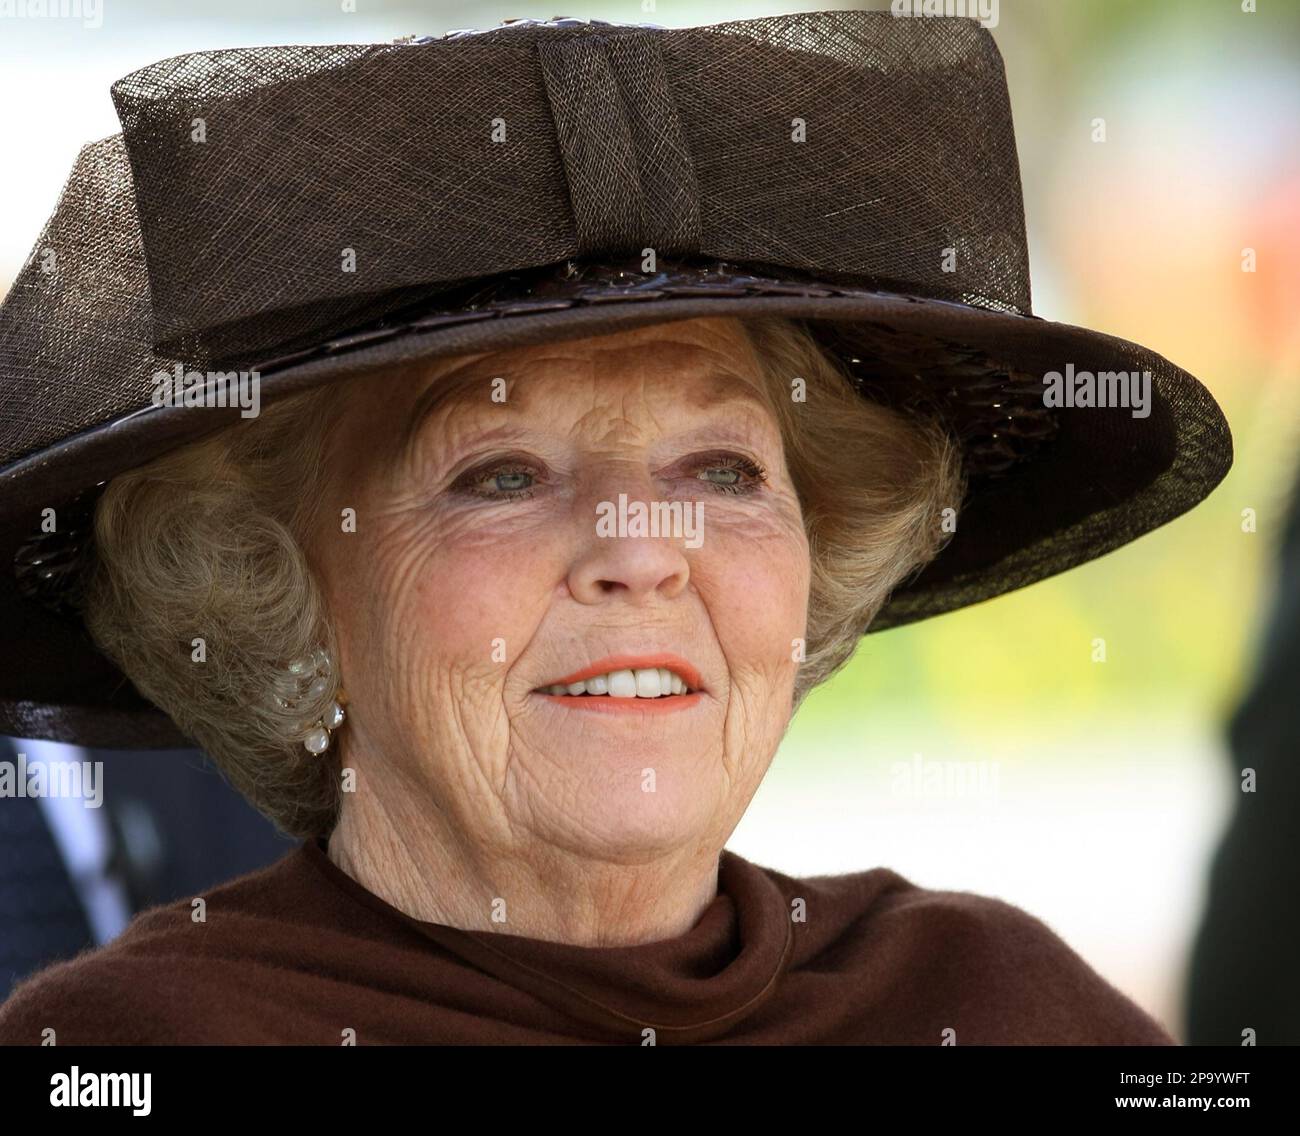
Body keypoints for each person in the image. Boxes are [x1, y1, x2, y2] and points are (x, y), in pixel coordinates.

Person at [0, 12, 1231, 1045]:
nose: (642, 546)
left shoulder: (992, 1002)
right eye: (500, 474)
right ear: (283, 590)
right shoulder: (133, 1046)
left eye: (723, 466)